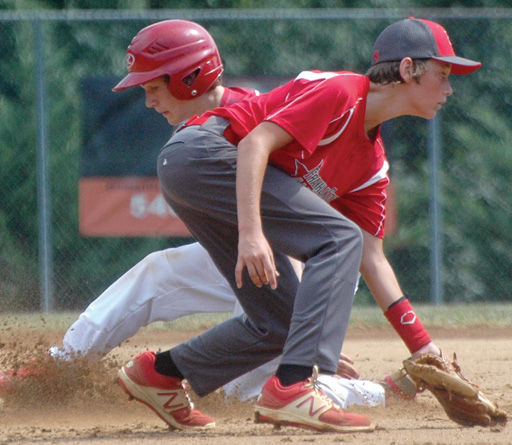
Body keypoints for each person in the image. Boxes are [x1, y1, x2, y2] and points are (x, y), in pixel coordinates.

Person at [0, 19, 384, 410]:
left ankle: (374, 393)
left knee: (244, 396)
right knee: (158, 272)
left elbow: (306, 223)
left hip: (304, 266)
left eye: (154, 87)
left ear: (192, 78)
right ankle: (55, 370)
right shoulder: (197, 130)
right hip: (254, 256)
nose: (149, 101)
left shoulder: (252, 112)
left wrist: (307, 327)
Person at [116, 17, 480, 433]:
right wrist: (252, 233)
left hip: (196, 174)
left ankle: (160, 373)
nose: (449, 89)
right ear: (407, 69)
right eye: (442, 74)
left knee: (282, 322)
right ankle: (293, 387)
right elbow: (254, 143)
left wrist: (424, 349)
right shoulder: (343, 91)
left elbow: (373, 259)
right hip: (202, 153)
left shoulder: (370, 166)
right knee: (338, 237)